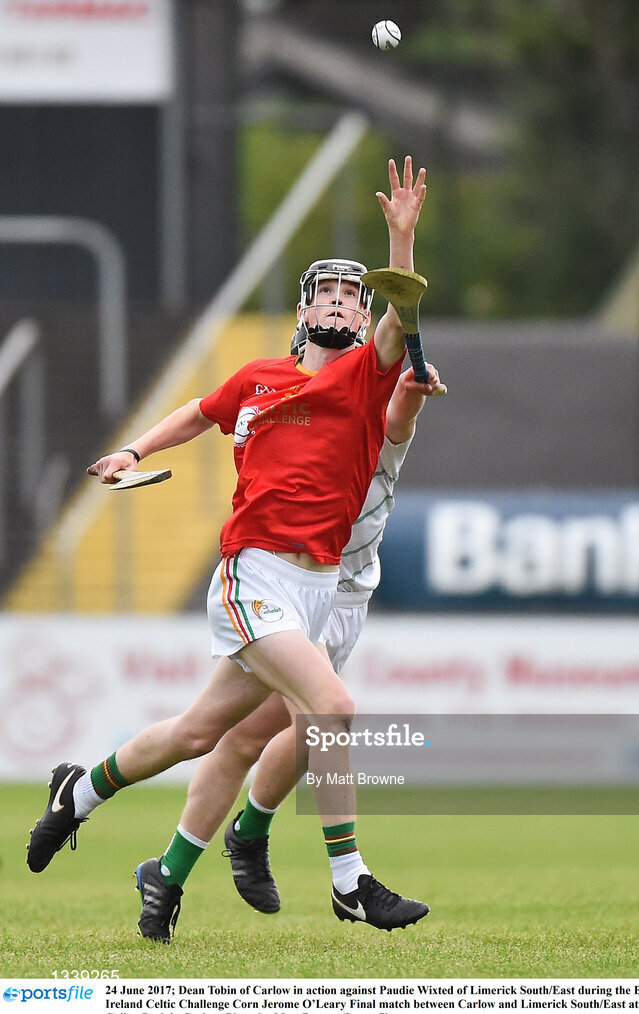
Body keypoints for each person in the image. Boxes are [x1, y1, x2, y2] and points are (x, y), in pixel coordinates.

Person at [26, 155, 441, 936]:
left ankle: (77, 793)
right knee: (332, 707)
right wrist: (135, 451)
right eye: (328, 290)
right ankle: (350, 880)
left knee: (196, 734)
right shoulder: (256, 377)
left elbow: (404, 321)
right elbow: (195, 410)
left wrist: (402, 241)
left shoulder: (364, 379)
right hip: (253, 573)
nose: (343, 304)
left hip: (319, 588)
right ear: (304, 306)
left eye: (355, 296)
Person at [134, 350, 438, 941]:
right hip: (284, 585)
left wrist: (412, 385)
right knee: (255, 733)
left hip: (340, 598)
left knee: (303, 732)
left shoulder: (373, 414)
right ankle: (320, 871)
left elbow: (400, 407)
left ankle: (230, 838)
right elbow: (230, 414)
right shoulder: (305, 405)